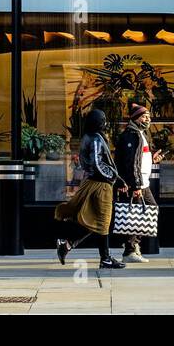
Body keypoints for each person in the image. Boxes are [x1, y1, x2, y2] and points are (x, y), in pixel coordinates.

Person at [55, 108, 126, 269]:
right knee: (102, 221)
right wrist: (112, 179)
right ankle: (105, 258)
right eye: (103, 120)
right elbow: (97, 163)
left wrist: (117, 179)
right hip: (100, 185)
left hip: (94, 182)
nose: (105, 123)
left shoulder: (90, 136)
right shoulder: (95, 139)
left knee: (95, 220)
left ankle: (67, 245)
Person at [114, 102, 162, 262]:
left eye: (148, 116)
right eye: (144, 116)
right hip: (136, 183)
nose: (147, 119)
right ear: (135, 119)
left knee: (144, 211)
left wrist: (153, 157)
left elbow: (140, 157)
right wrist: (135, 186)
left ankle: (132, 248)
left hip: (142, 182)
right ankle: (130, 250)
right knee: (135, 213)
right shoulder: (131, 136)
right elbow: (130, 163)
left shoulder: (141, 134)